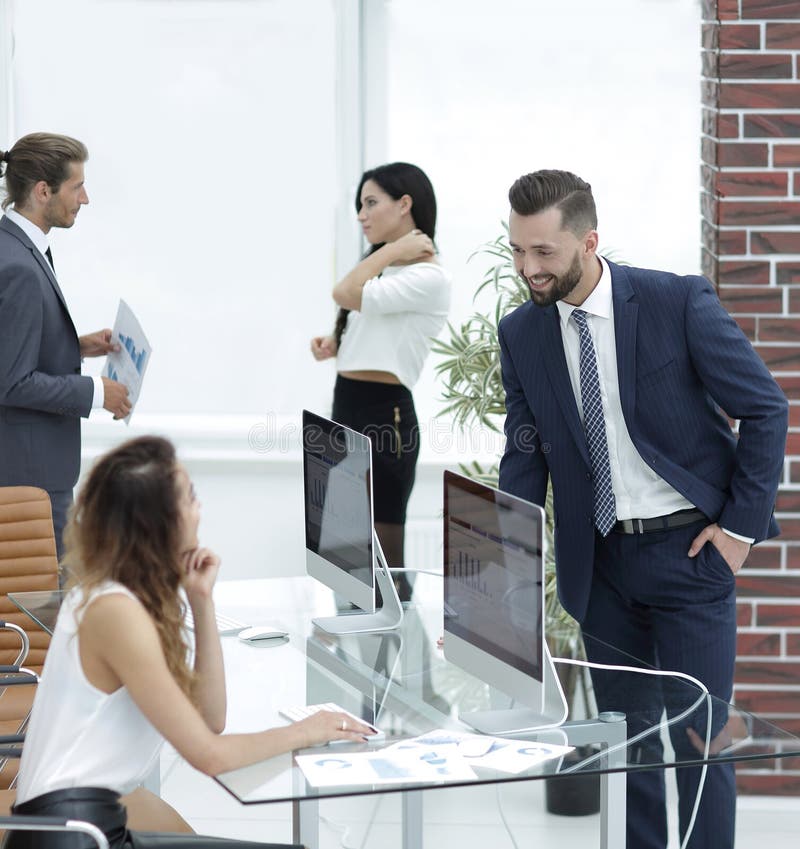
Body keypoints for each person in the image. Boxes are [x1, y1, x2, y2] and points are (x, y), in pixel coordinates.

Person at [496, 170, 787, 849]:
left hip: (691, 557)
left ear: (588, 241)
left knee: (701, 745)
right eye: (517, 250)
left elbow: (765, 408)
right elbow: (522, 457)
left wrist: (739, 532)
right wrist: (500, 584)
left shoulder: (673, 301)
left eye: (543, 252)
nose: (527, 268)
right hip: (600, 570)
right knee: (634, 753)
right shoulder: (521, 333)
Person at [7, 435, 374, 849]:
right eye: (190, 498)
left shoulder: (125, 596)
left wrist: (201, 601)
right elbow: (210, 755)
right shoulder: (115, 611)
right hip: (75, 837)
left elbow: (210, 719)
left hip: (83, 825)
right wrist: (307, 731)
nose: (199, 510)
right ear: (158, 521)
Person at [310, 162, 451, 597]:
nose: (361, 215)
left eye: (371, 203)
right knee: (344, 563)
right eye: (359, 205)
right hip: (348, 404)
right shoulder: (390, 270)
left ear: (404, 205)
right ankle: (350, 664)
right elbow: (366, 318)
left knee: (384, 574)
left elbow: (344, 293)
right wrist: (338, 344)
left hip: (382, 416)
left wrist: (390, 251)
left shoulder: (427, 276)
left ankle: (404, 662)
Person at [0, 133, 131, 561]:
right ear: (43, 191)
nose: (86, 198)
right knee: (51, 612)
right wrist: (97, 394)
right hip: (30, 480)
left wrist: (75, 345)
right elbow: (13, 382)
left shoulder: (15, 246)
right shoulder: (19, 265)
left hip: (28, 472)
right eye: (77, 186)